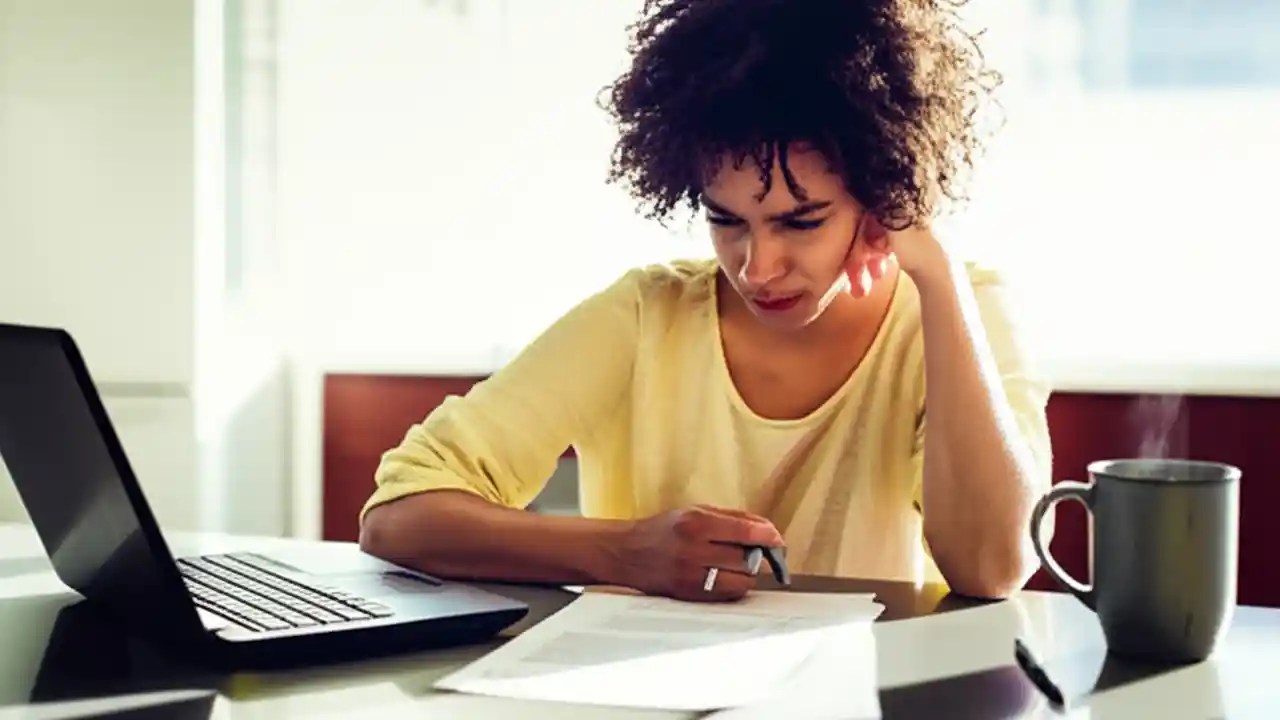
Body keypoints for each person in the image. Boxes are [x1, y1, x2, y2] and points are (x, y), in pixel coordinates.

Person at [358, 0, 1053, 602]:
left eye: (801, 222)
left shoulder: (959, 313)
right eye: (726, 219)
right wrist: (622, 552)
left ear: (880, 199)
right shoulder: (643, 319)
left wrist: (933, 269)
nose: (758, 267)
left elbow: (993, 568)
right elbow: (397, 516)